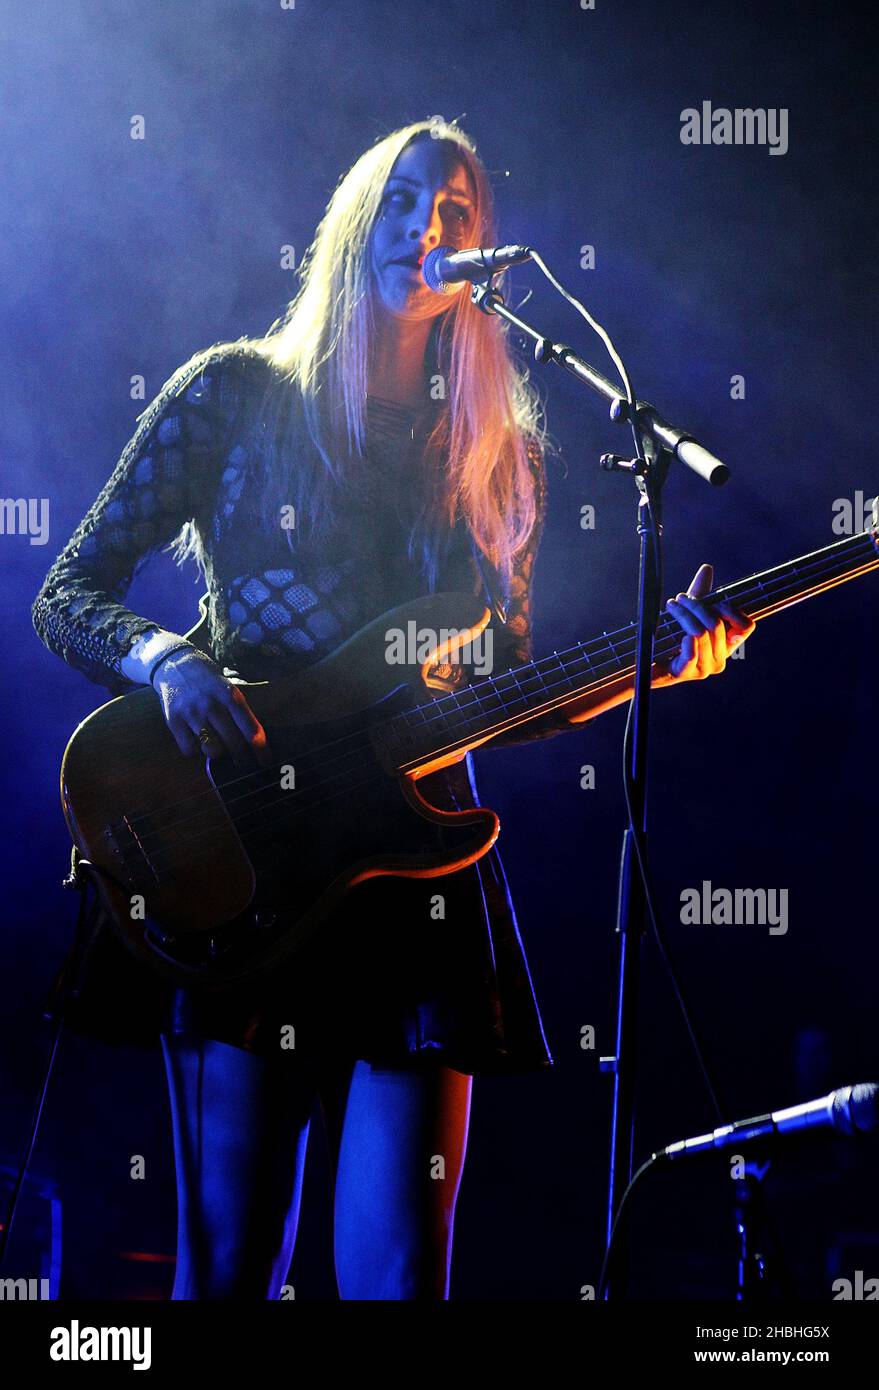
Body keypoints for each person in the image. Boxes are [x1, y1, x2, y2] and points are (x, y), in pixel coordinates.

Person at [32, 118, 754, 1300]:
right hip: (246, 846)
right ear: (357, 216)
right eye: (409, 198)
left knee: (402, 1277)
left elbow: (505, 694)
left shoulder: (485, 452)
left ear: (476, 255)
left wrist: (654, 664)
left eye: (457, 212)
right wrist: (166, 657)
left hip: (413, 878)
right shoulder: (233, 394)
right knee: (227, 1270)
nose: (429, 225)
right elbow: (68, 593)